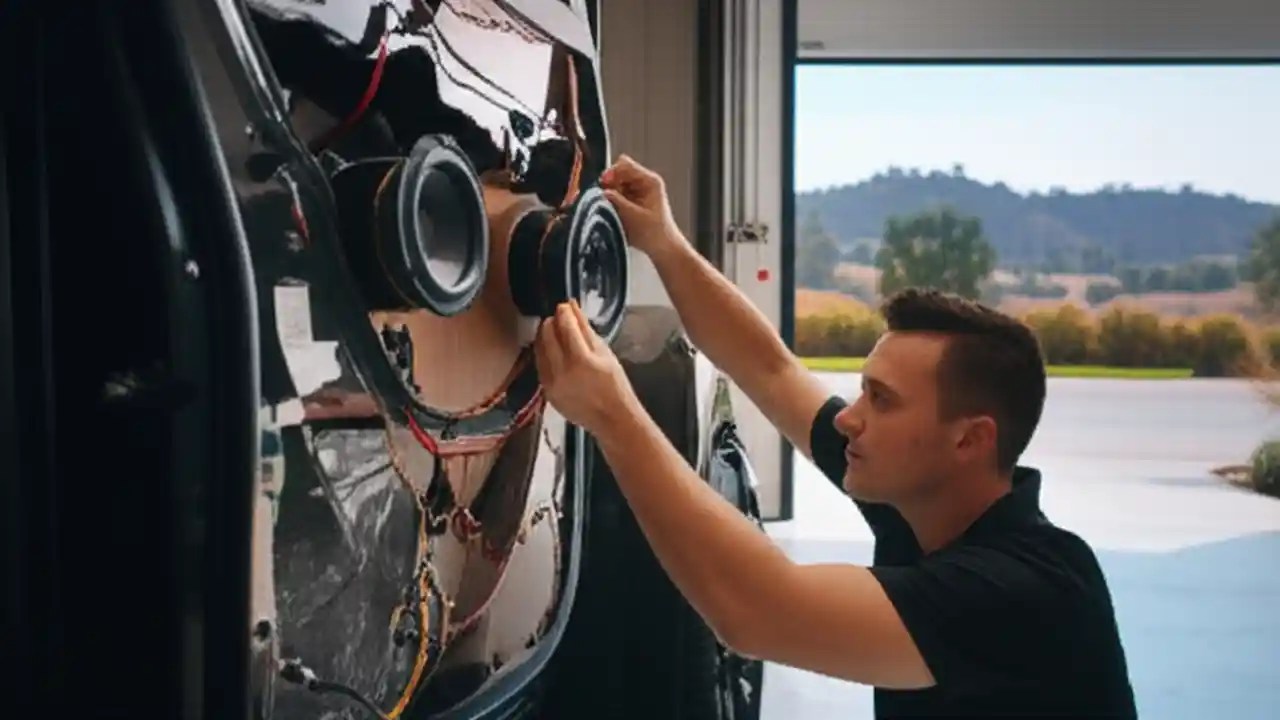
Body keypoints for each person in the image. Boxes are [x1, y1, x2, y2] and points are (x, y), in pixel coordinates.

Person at [532, 155, 1137, 717]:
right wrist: (663, 242)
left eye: (883, 401)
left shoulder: (1026, 590)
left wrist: (613, 413)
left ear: (969, 441)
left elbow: (758, 612)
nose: (849, 417)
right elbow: (771, 370)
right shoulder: (921, 509)